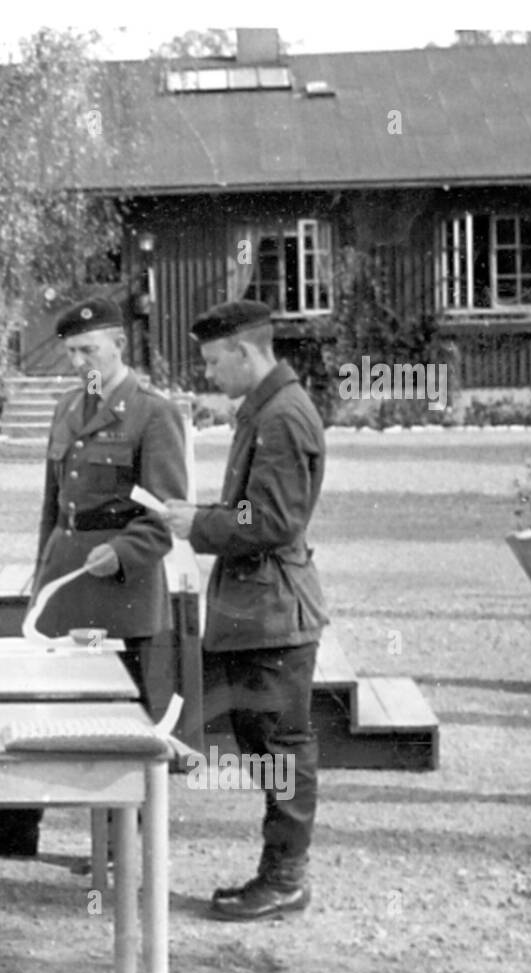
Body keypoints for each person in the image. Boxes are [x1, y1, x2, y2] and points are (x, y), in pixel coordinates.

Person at [0, 295, 188, 860]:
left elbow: (166, 516)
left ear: (119, 346)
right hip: (65, 578)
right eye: (73, 352)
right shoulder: (66, 409)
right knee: (36, 703)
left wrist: (122, 551)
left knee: (118, 722)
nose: (82, 362)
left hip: (119, 589)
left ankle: (116, 847)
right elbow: (52, 508)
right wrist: (42, 576)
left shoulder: (153, 414)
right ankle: (15, 828)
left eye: (91, 349)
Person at [159, 299, 328, 922]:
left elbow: (273, 519)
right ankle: (279, 872)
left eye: (212, 361)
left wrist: (198, 522)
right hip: (259, 607)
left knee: (282, 747)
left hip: (275, 610)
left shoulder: (280, 417)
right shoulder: (266, 410)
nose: (209, 374)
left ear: (246, 351)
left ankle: (285, 877)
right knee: (263, 740)